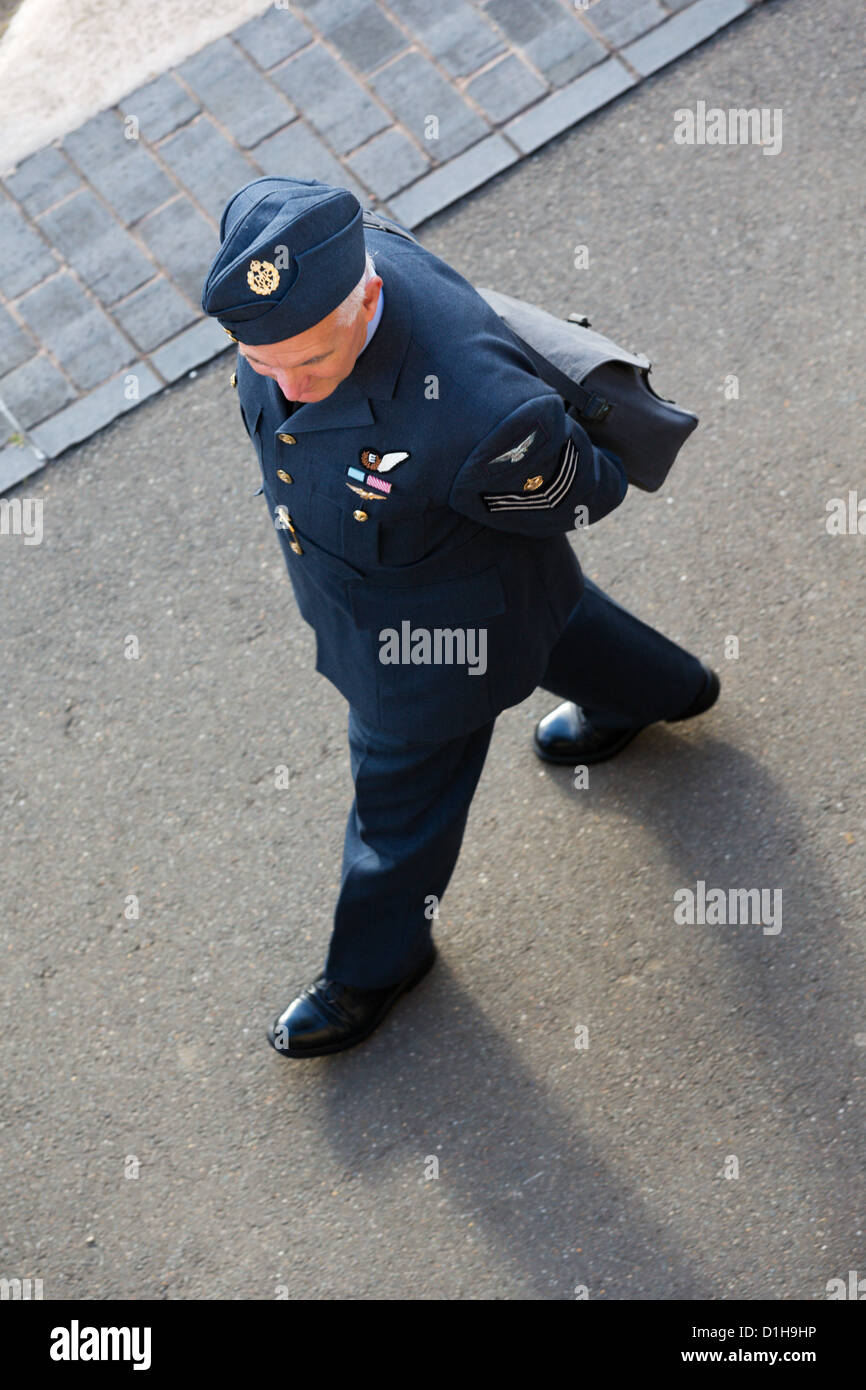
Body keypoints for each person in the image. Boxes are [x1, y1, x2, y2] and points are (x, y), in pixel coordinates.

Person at [201, 176, 719, 1059]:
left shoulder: (485, 415)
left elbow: (585, 491)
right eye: (263, 360)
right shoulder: (328, 274)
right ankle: (668, 690)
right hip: (466, 588)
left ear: (366, 295)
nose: (289, 383)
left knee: (397, 808)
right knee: (551, 614)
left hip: (428, 650)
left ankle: (376, 964)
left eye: (312, 363)